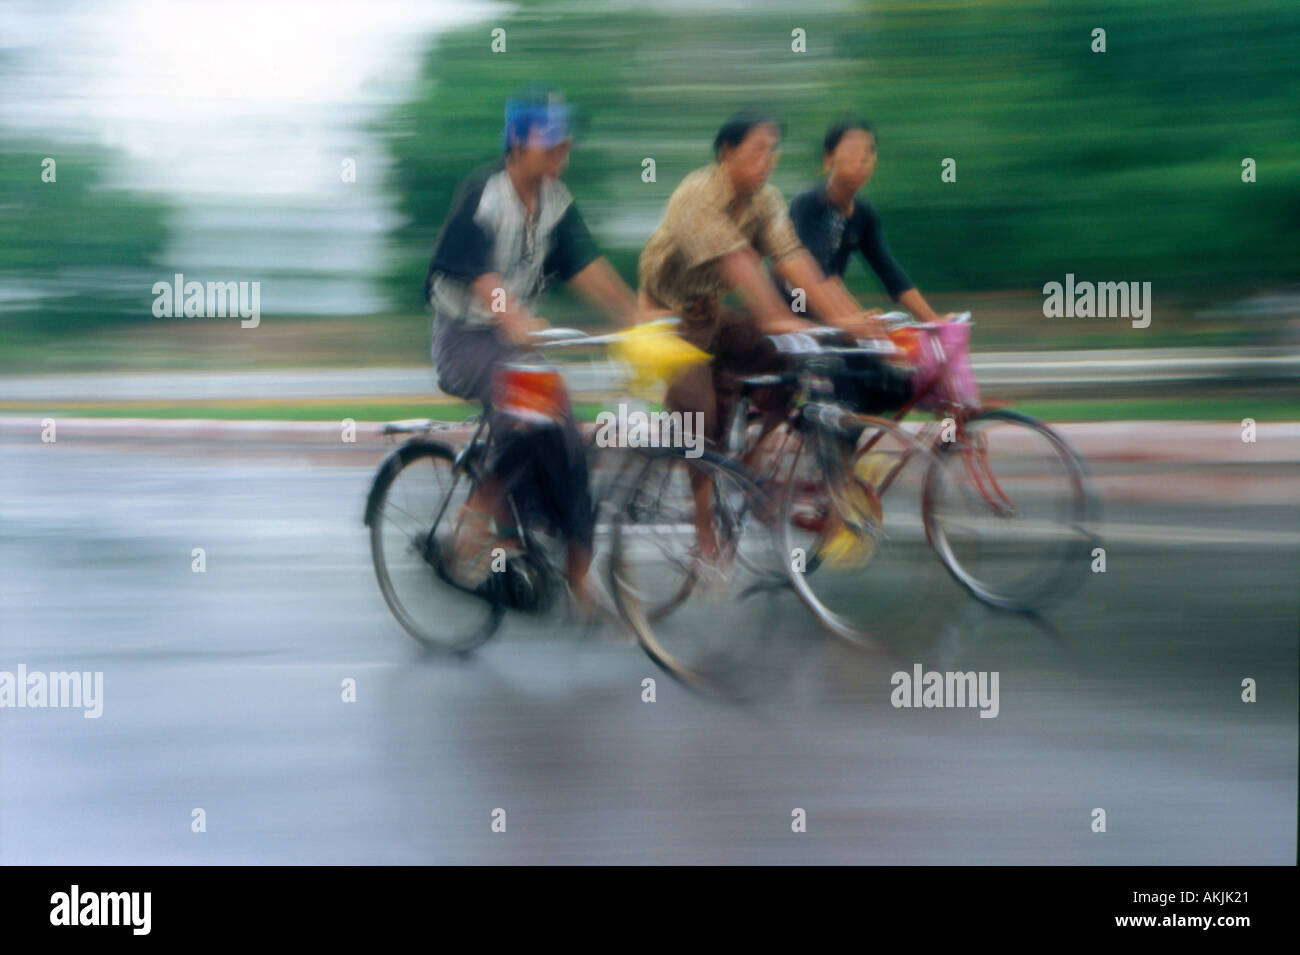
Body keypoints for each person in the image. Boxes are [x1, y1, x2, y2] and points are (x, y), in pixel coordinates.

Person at [423, 85, 639, 612]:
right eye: (551, 141)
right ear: (518, 142)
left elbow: (587, 267)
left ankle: (568, 561)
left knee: (564, 434)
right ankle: (475, 516)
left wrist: (635, 318)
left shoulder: (556, 205)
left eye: (565, 141)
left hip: (512, 344)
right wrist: (512, 314)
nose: (562, 150)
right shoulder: (485, 193)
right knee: (535, 406)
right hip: (465, 341)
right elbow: (480, 273)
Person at [637, 108, 881, 568]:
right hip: (667, 321)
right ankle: (704, 527)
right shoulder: (698, 192)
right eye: (757, 150)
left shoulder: (767, 200)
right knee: (700, 415)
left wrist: (844, 324)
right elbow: (740, 263)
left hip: (712, 312)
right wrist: (775, 317)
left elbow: (793, 260)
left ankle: (750, 458)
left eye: (773, 151)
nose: (767, 160)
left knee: (798, 360)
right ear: (728, 152)